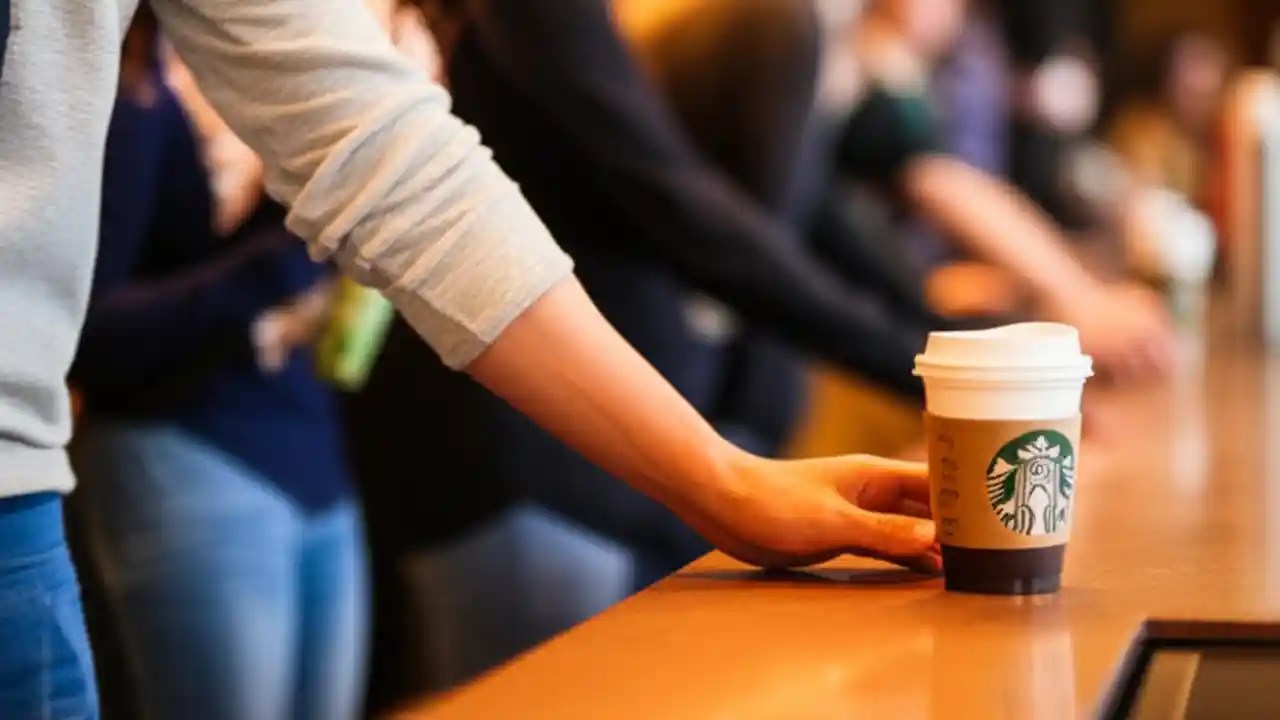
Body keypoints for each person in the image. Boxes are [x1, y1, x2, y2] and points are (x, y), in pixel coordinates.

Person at [0, 0, 940, 715]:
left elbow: (389, 158)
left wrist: (725, 479)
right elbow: (682, 206)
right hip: (460, 470)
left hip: (52, 496)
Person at [348, 0, 943, 697]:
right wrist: (930, 365)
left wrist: (949, 350)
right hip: (521, 455)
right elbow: (681, 207)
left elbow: (798, 209)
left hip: (600, 449)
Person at [67, 10, 368, 720]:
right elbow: (86, 329)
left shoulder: (258, 50)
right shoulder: (119, 78)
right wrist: (281, 260)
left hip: (311, 456)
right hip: (190, 454)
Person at [823, 0, 1176, 379]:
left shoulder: (912, 66)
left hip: (882, 316)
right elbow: (938, 180)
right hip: (846, 353)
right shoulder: (867, 63)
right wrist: (1080, 299)